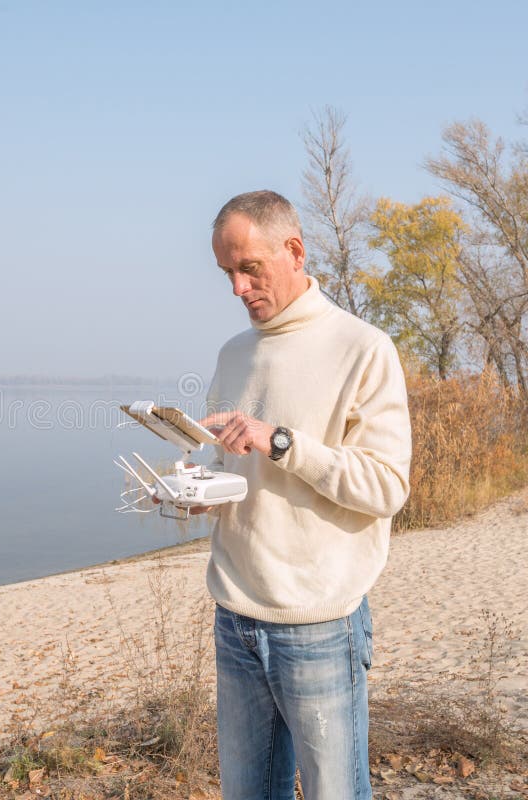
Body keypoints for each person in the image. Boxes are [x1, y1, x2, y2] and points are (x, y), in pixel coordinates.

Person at [195, 190, 411, 800]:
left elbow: (387, 486)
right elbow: (233, 470)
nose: (237, 288)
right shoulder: (233, 354)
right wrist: (194, 494)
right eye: (227, 273)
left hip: (318, 623)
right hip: (235, 616)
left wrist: (283, 443)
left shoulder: (364, 348)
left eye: (249, 268)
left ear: (294, 251)